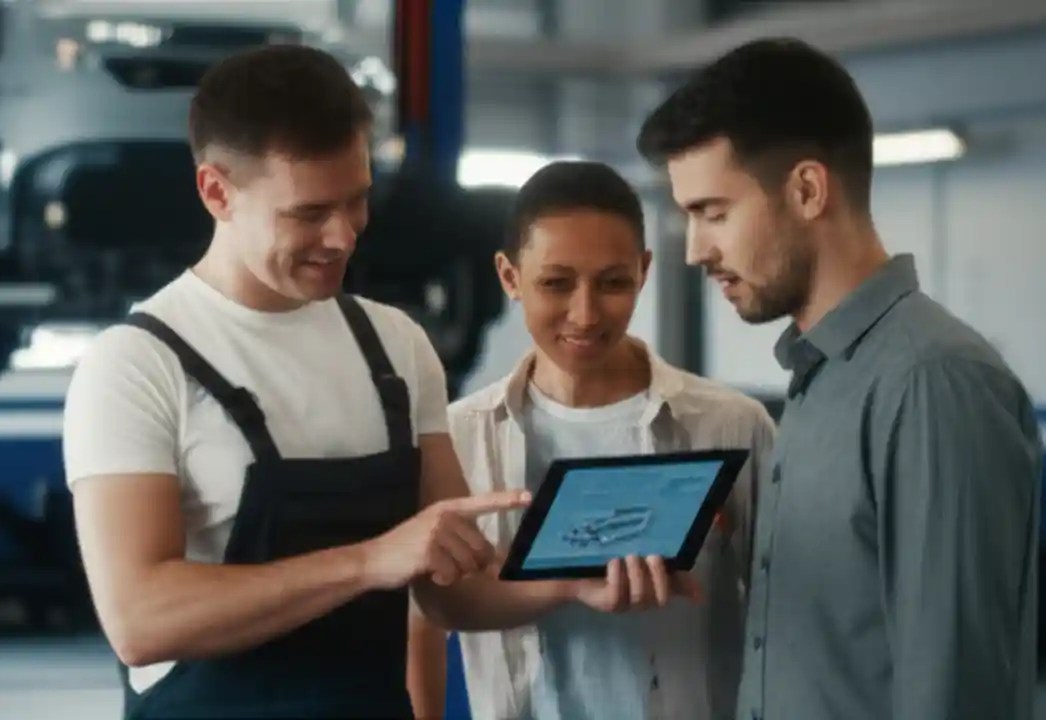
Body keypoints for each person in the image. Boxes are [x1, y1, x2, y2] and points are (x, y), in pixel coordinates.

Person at [63, 45, 691, 720]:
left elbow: (452, 590)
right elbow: (139, 620)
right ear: (217, 191)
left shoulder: (394, 346)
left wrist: (570, 583)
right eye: (308, 213)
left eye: (357, 200)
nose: (342, 236)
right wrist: (368, 562)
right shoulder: (135, 365)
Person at [636, 37, 1043, 720]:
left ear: (807, 190)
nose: (696, 250)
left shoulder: (931, 382)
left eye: (713, 212)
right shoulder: (818, 379)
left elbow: (955, 689)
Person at [408, 161, 776, 720]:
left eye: (613, 282)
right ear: (509, 277)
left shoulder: (730, 427)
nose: (585, 313)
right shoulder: (457, 438)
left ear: (644, 271)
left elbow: (786, 614)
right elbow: (423, 620)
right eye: (556, 283)